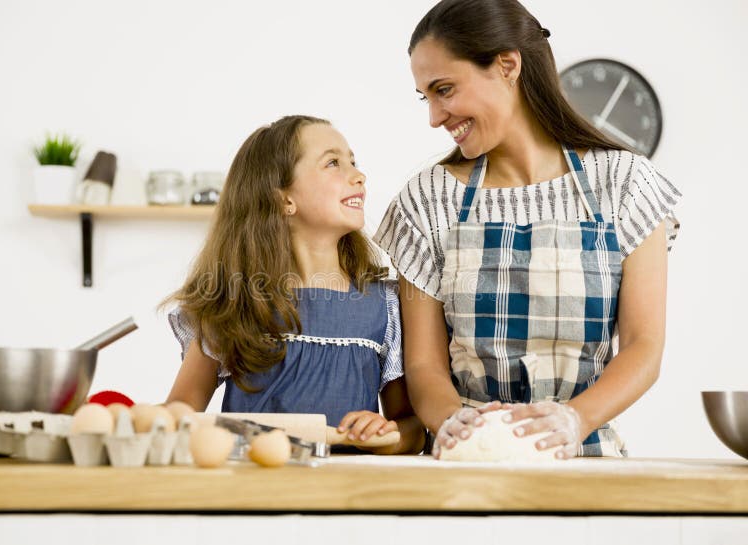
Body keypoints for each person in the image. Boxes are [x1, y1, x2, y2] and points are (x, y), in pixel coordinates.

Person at [373, 0, 681, 459]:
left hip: (587, 464)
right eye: (427, 97)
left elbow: (644, 346)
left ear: (507, 65)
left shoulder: (625, 185)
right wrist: (456, 425)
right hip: (464, 466)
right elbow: (423, 365)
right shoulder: (427, 201)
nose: (435, 117)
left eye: (444, 89)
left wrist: (574, 418)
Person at [163, 115, 424, 454]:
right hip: (252, 494)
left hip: (347, 497)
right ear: (284, 199)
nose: (358, 176)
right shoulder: (234, 301)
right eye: (333, 163)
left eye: (353, 162)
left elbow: (413, 429)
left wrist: (386, 436)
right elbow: (181, 411)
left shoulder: (385, 306)